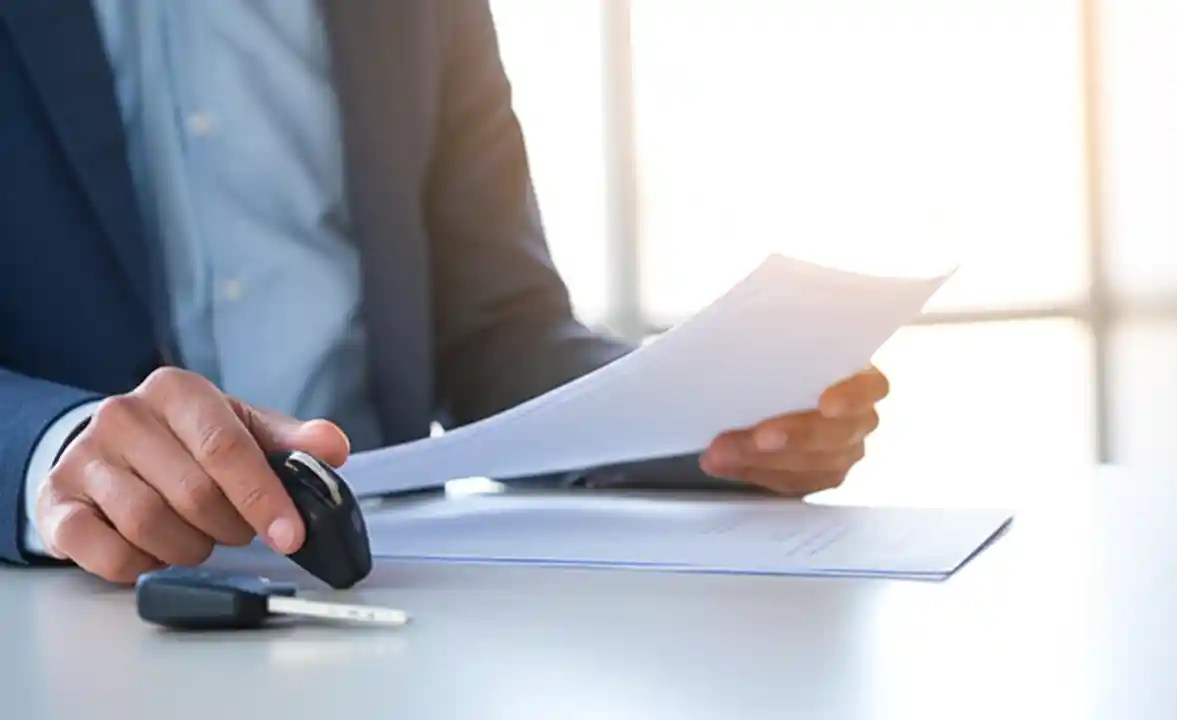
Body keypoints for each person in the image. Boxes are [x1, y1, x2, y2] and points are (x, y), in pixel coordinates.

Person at [0, 1, 889, 583]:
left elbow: (497, 328)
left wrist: (702, 418)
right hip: (77, 611)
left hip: (403, 581)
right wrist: (52, 450)